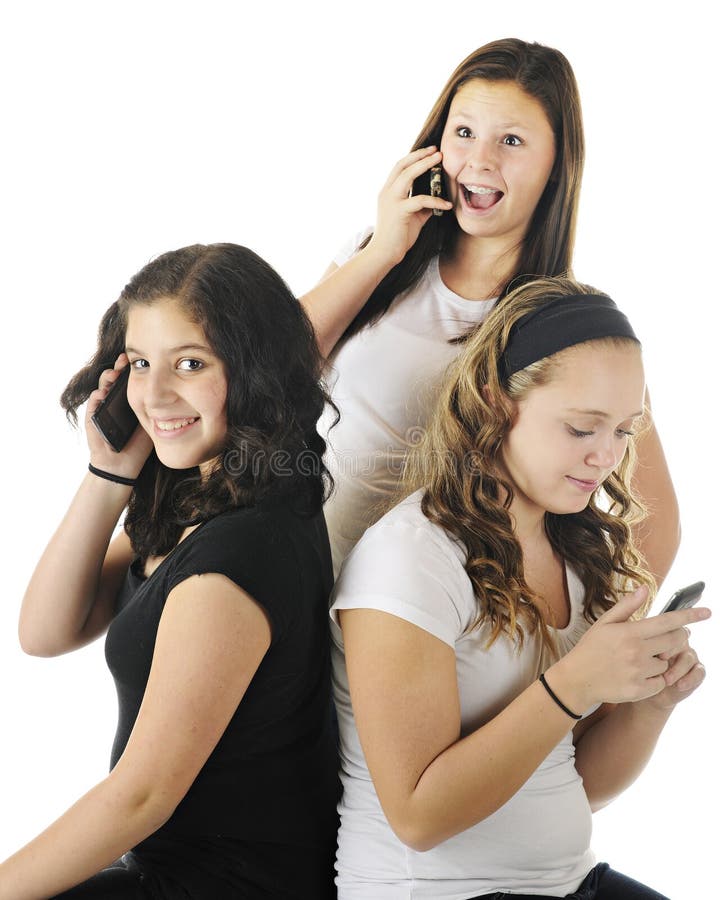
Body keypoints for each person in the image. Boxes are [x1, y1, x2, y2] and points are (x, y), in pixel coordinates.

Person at [329, 278, 709, 899]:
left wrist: (650, 707)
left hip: (571, 881)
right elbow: (419, 816)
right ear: (496, 402)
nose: (606, 457)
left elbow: (576, 782)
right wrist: (573, 685)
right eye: (582, 429)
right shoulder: (410, 558)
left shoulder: (578, 553)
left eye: (623, 431)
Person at [4, 244, 339, 899]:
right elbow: (44, 632)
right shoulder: (202, 502)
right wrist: (109, 474)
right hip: (172, 873)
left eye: (190, 363)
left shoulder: (238, 557)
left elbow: (142, 796)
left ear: (254, 372)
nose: (155, 394)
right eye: (139, 364)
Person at [300, 37, 679, 585]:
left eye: (512, 140)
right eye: (464, 133)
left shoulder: (564, 324)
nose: (480, 160)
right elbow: (273, 370)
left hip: (425, 610)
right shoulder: (377, 253)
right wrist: (384, 251)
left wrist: (590, 647)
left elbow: (654, 521)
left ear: (556, 164)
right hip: (305, 576)